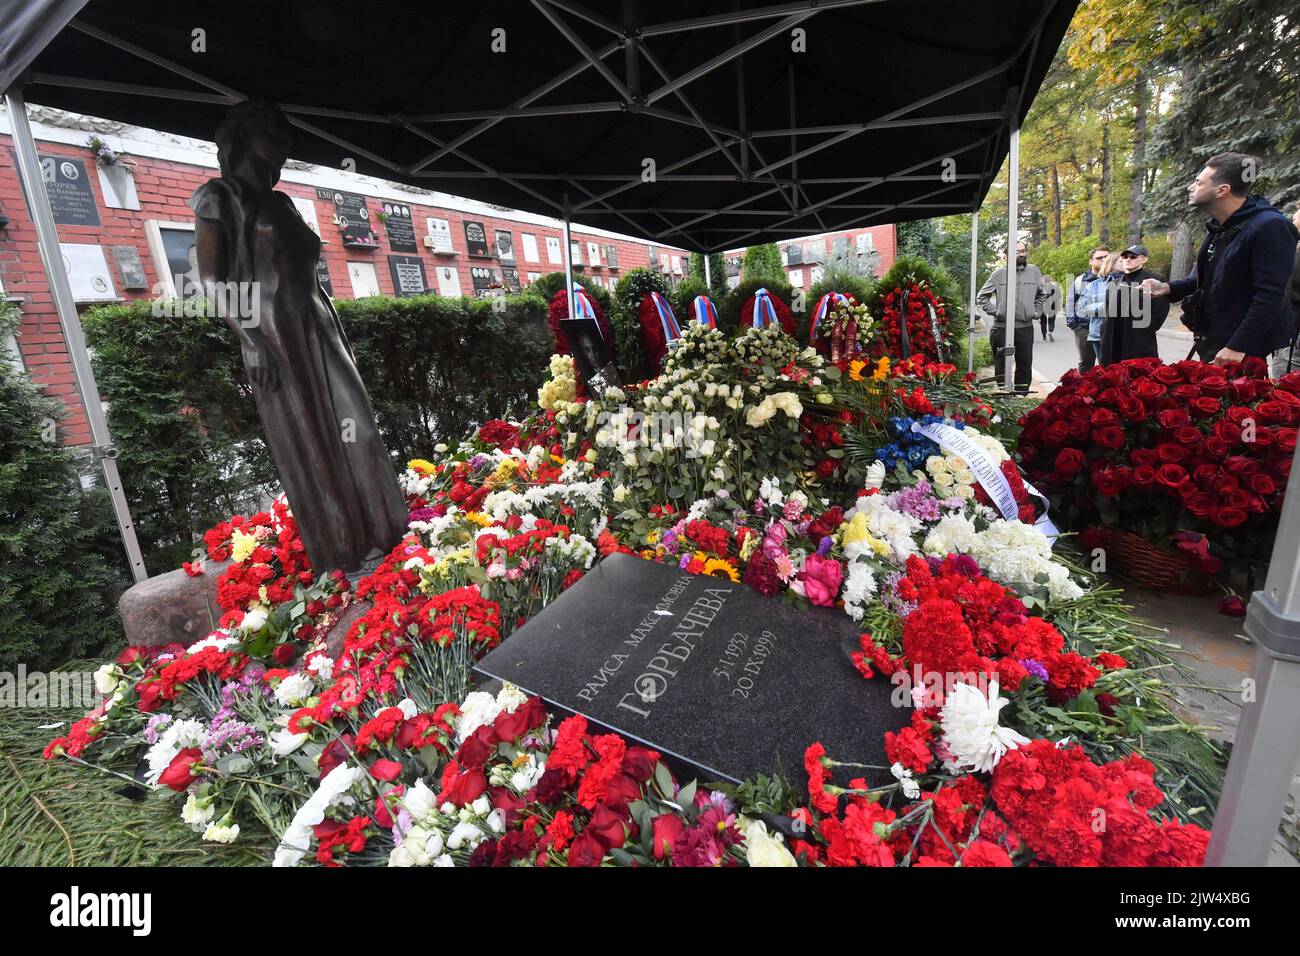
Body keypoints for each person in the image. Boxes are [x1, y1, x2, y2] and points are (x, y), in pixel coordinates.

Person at [190, 101, 407, 573]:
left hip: (315, 321)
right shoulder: (218, 196)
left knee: (358, 428)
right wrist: (250, 338)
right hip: (273, 331)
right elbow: (209, 280)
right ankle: (348, 551)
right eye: (276, 132)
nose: (285, 143)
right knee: (311, 439)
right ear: (245, 136)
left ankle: (388, 534)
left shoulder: (283, 202)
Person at [1142, 152, 1299, 365]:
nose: (1191, 187)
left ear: (1222, 190)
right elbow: (1213, 279)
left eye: (1198, 182)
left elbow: (1271, 296)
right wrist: (1167, 288)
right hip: (1214, 341)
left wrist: (1238, 346)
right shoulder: (1221, 226)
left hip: (1239, 352)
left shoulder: (1270, 226)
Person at [977, 241, 1047, 392]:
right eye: (1016, 252)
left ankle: (1021, 394)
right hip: (1001, 328)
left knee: (1025, 362)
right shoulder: (998, 274)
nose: (1021, 254)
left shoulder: (1034, 271)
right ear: (1006, 256)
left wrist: (1036, 312)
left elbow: (1042, 294)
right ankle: (1004, 392)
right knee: (1001, 363)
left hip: (1025, 328)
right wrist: (996, 311)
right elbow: (982, 296)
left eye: (1023, 251)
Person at [1099, 244, 1169, 364]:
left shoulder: (1152, 280)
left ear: (1144, 259)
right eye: (1125, 257)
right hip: (1113, 342)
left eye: (1133, 257)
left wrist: (1146, 330)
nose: (1128, 259)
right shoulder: (1114, 284)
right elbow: (1107, 312)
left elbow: (1160, 309)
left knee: (1139, 378)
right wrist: (1105, 331)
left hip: (1139, 343)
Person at [1065, 246, 1109, 372]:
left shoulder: (1114, 279)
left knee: (1107, 364)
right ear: (1091, 261)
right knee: (1086, 363)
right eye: (1100, 258)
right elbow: (1070, 301)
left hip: (1106, 328)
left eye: (1106, 257)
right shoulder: (1081, 280)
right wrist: (1074, 325)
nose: (1104, 260)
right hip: (1084, 328)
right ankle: (1085, 391)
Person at [1269, 205, 1300, 376]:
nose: (1291, 223)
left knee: (1286, 376)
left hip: (1293, 331)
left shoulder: (1295, 253)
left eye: (1294, 219)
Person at [1039, 275, 1060, 342]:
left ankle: (1044, 337)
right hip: (1052, 306)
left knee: (1043, 322)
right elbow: (1059, 296)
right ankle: (1050, 331)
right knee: (1051, 320)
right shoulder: (1055, 287)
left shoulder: (1041, 287)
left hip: (1043, 306)